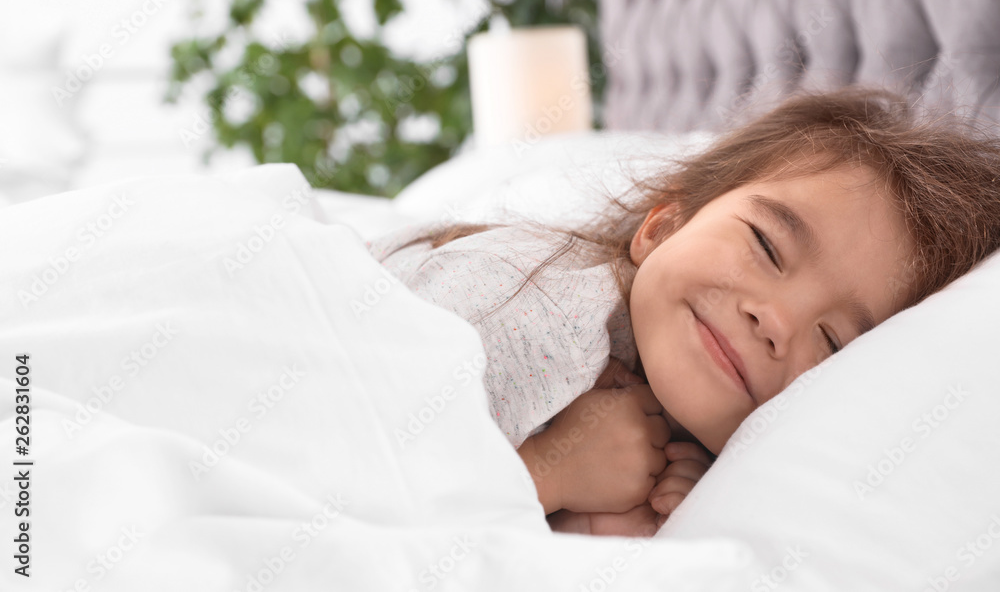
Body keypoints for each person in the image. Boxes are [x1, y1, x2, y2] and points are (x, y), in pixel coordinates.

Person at [367, 86, 1000, 537]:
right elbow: (359, 495)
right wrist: (549, 472)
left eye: (833, 343)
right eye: (766, 245)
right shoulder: (536, 316)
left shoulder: (717, 446)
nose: (773, 320)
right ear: (663, 227)